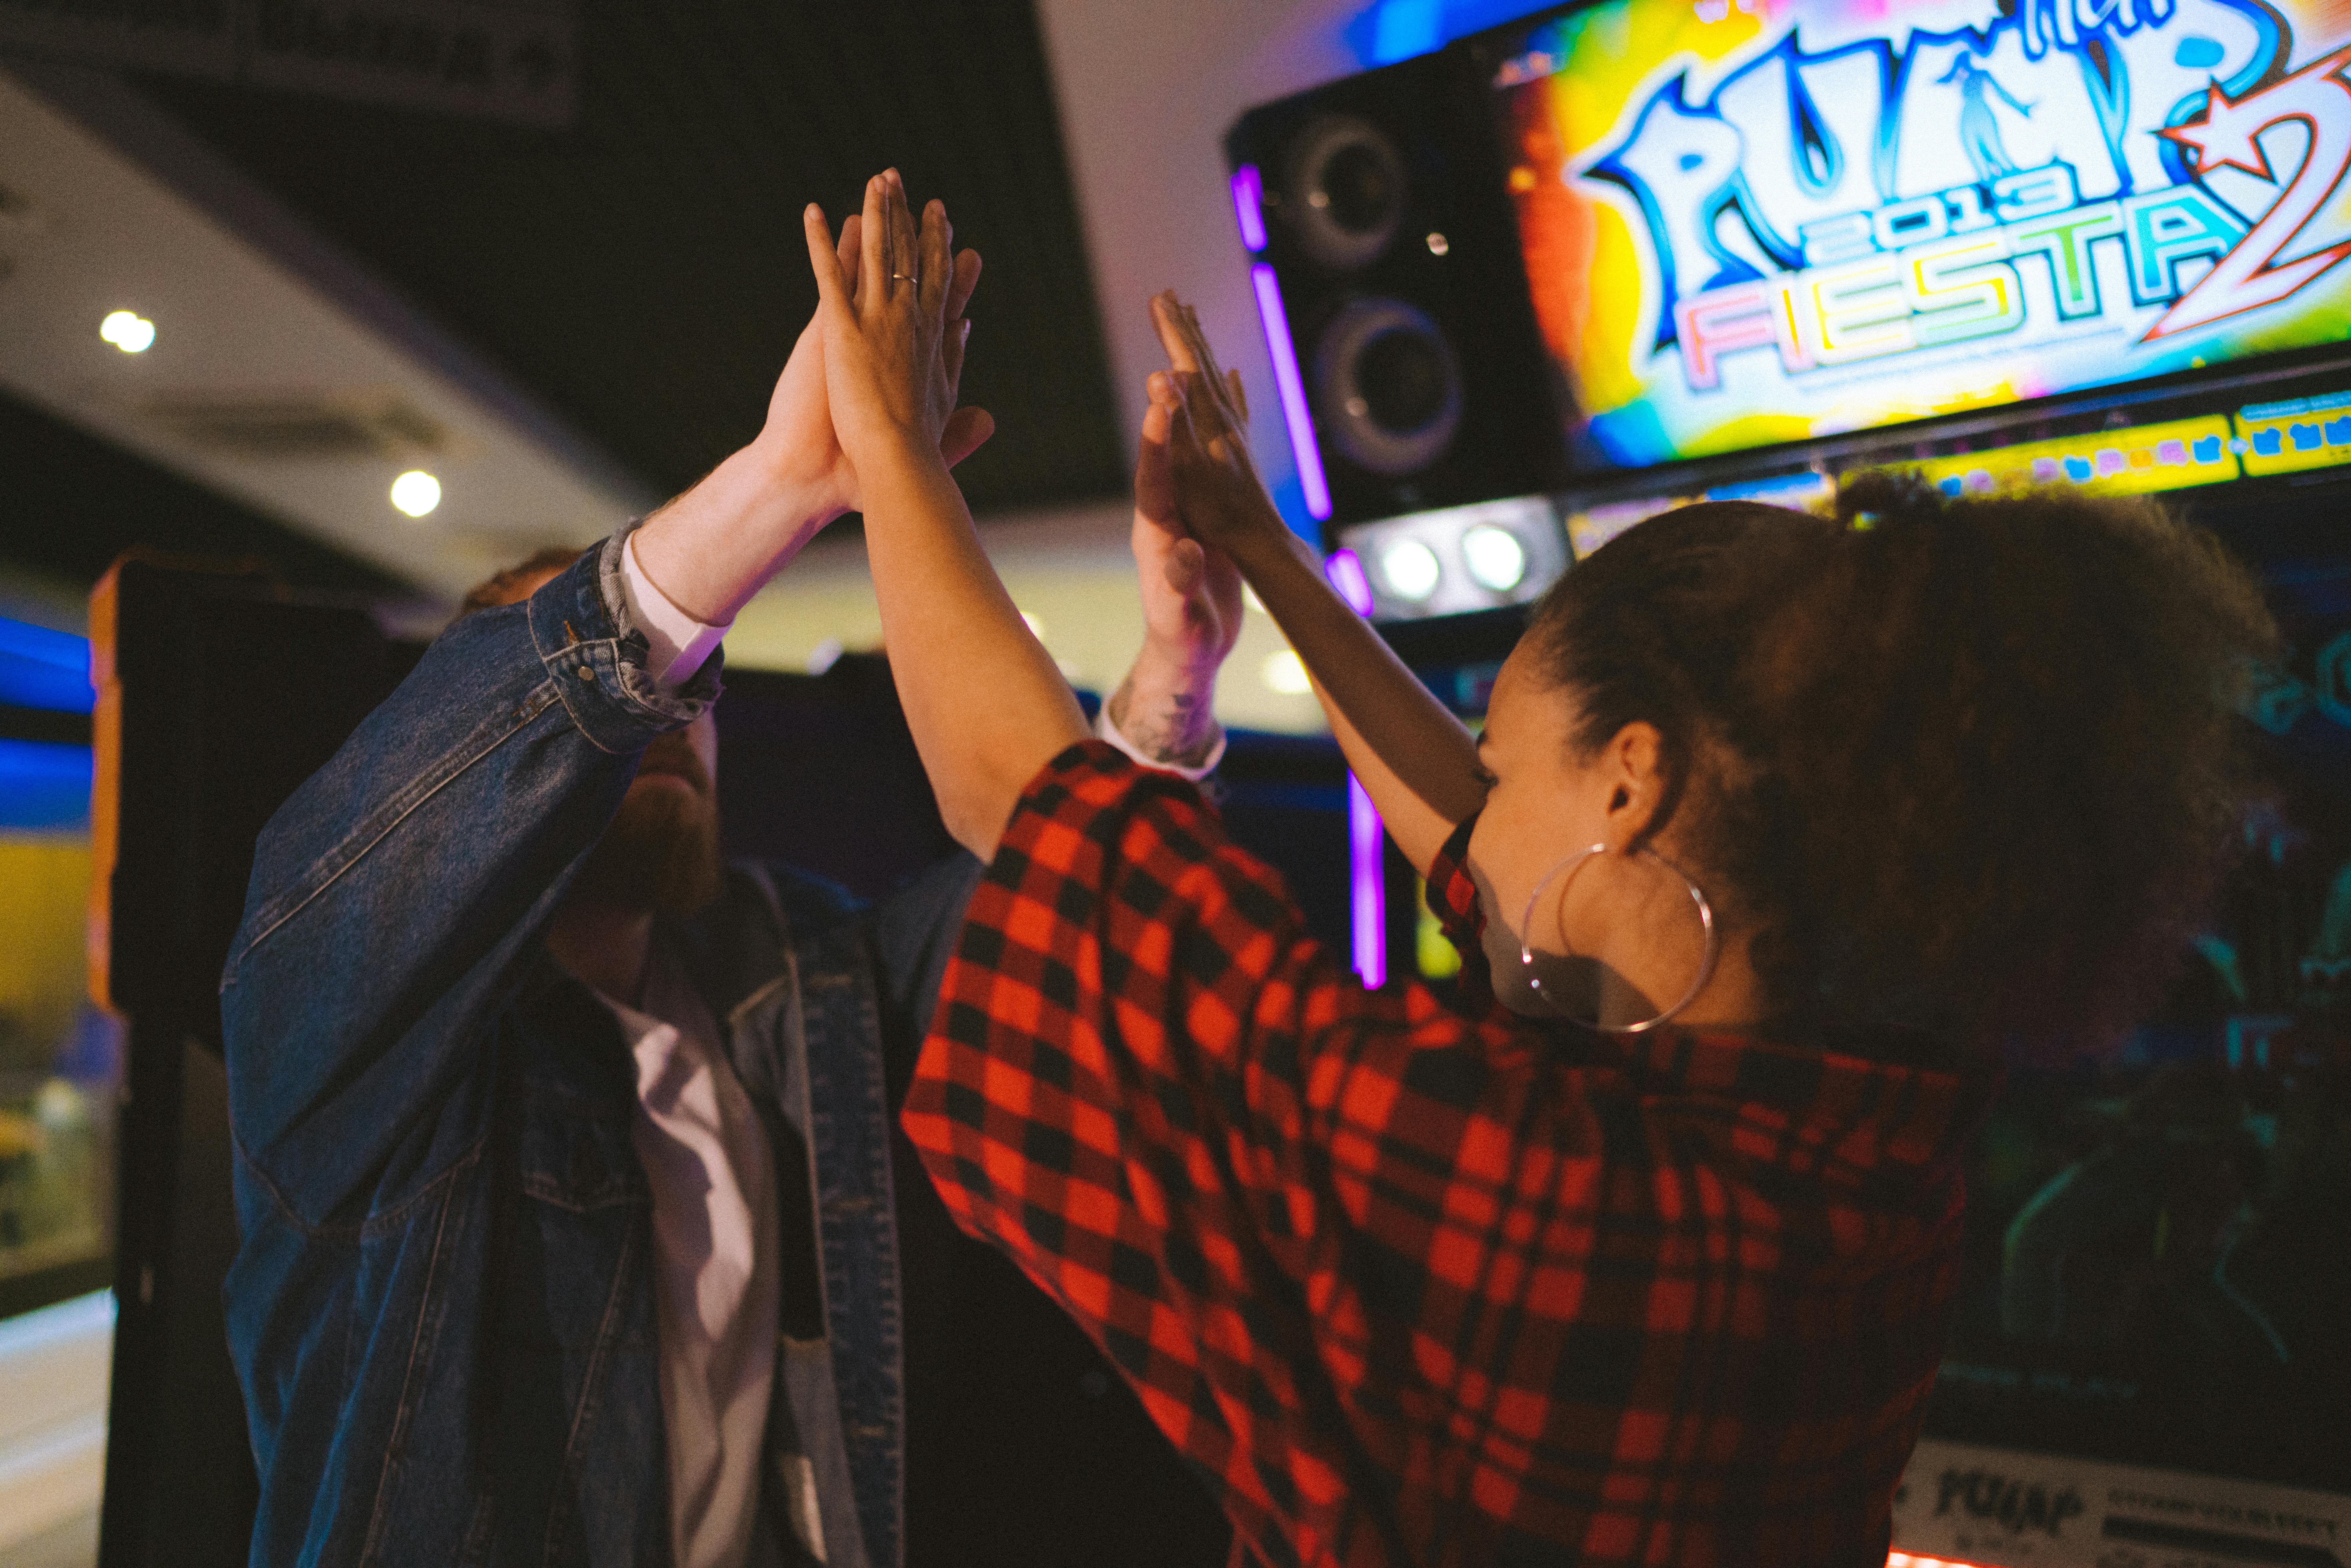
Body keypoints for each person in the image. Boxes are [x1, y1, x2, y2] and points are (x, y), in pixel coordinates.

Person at [794, 172, 2278, 1565]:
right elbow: (1490, 859)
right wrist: (1264, 549)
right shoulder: (1866, 1141)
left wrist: (890, 446)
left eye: (1496, 761)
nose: (1468, 809)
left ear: (1630, 785)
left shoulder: (1569, 1195)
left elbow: (1038, 820)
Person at [219, 200, 1234, 1568]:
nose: (678, 715)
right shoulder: (355, 1021)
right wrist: (785, 482)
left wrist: (1172, 686)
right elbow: (368, 851)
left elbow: (1046, 899)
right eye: (647, 683)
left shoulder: (785, 955)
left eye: (697, 689)